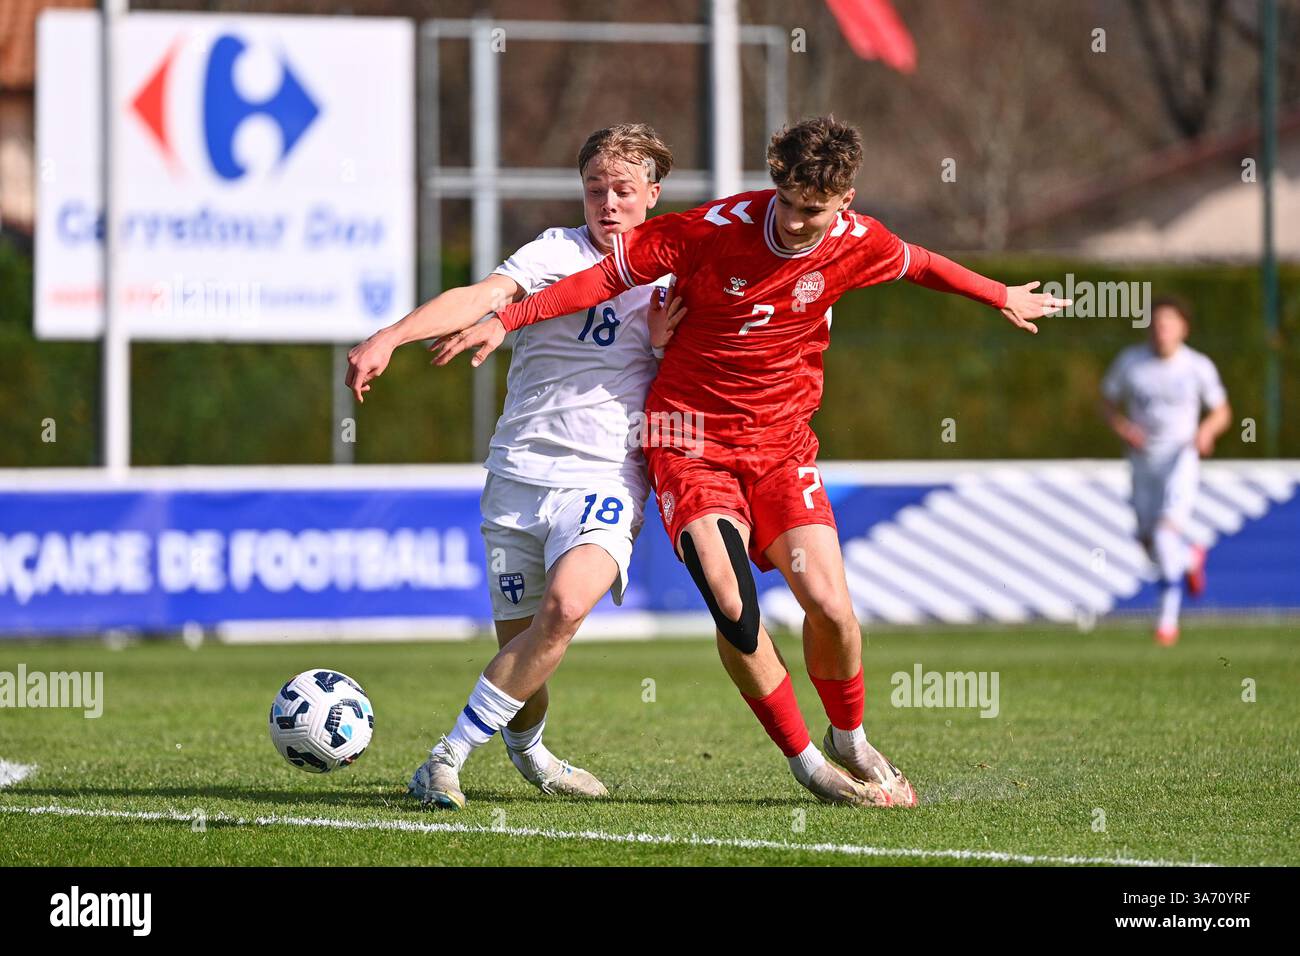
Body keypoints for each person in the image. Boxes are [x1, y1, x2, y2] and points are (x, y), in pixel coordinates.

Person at [427, 116, 1069, 807]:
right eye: (787, 203)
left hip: (781, 447)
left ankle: (848, 738)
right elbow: (596, 282)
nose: (795, 222)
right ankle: (808, 766)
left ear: (845, 201)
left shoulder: (859, 242)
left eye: (813, 211)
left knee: (831, 609)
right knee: (733, 607)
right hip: (687, 444)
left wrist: (999, 293)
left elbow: (921, 264)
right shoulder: (709, 230)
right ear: (775, 186)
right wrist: (507, 317)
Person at [345, 124, 685, 808]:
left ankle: (446, 757)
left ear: (653, 193)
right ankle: (533, 754)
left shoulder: (676, 270)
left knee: (562, 608)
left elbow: (713, 367)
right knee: (527, 644)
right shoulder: (557, 251)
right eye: (596, 189)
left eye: (624, 190)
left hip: (604, 475)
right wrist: (393, 334)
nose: (609, 203)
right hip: (518, 475)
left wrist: (663, 351)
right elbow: (482, 295)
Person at [1100, 296, 1230, 646]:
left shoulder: (1197, 366)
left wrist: (1205, 432)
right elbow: (1106, 404)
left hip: (1181, 457)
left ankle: (1167, 622)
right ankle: (1190, 558)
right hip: (1143, 460)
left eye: (1169, 323)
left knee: (1163, 534)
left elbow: (1222, 412)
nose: (1162, 330)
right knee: (1147, 540)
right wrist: (1125, 428)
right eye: (1156, 324)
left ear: (1183, 328)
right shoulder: (1131, 363)